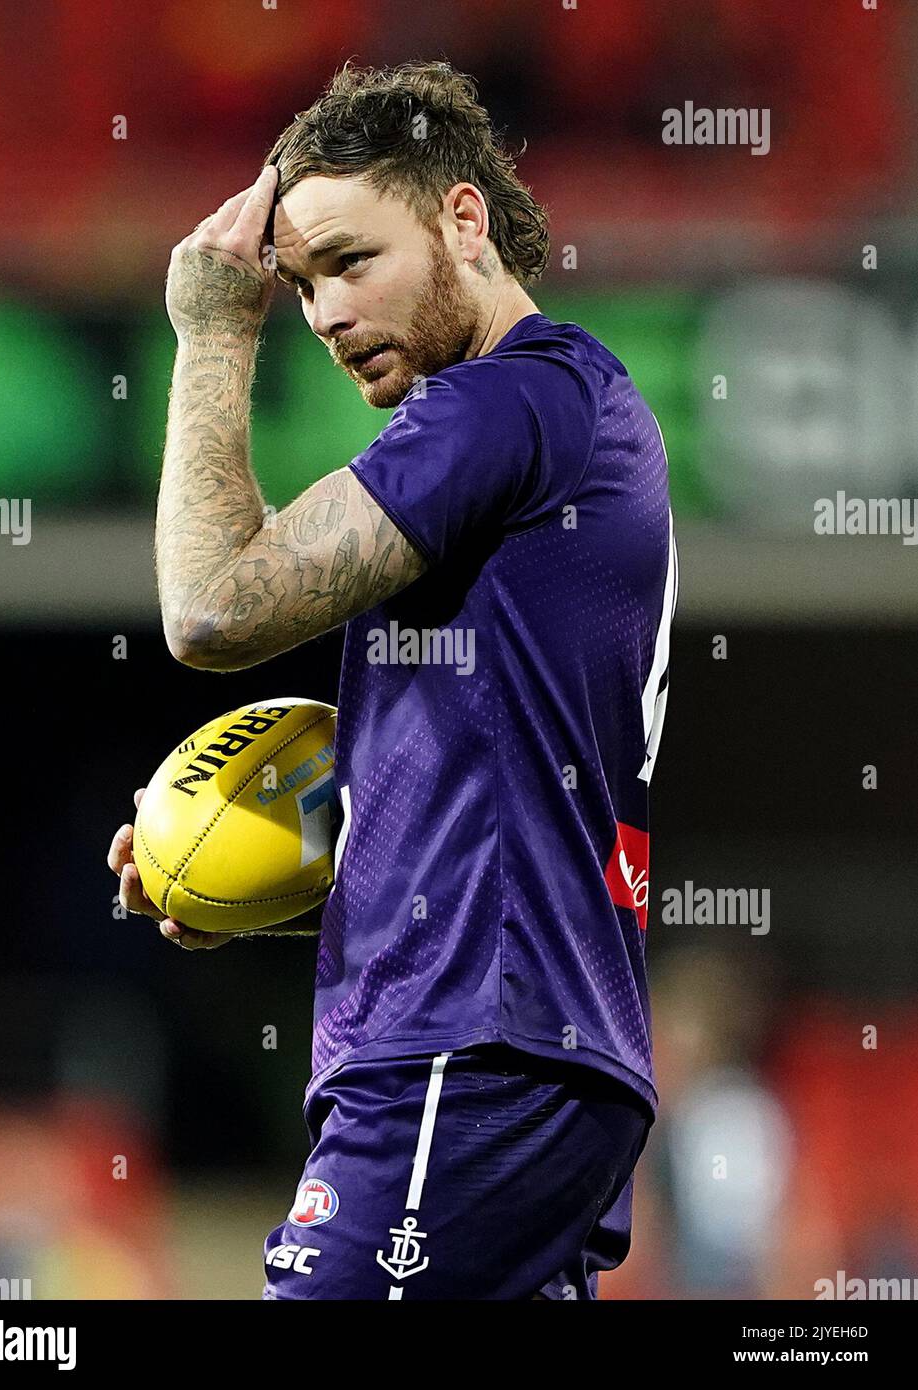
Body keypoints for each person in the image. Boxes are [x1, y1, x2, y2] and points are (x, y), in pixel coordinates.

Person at [107, 60, 677, 1300]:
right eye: (300, 285)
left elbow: (211, 610)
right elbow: (507, 790)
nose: (319, 313)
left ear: (463, 220)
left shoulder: (508, 401)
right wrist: (256, 856)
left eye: (350, 261)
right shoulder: (564, 420)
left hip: (466, 1054)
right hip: (524, 1056)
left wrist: (213, 332)